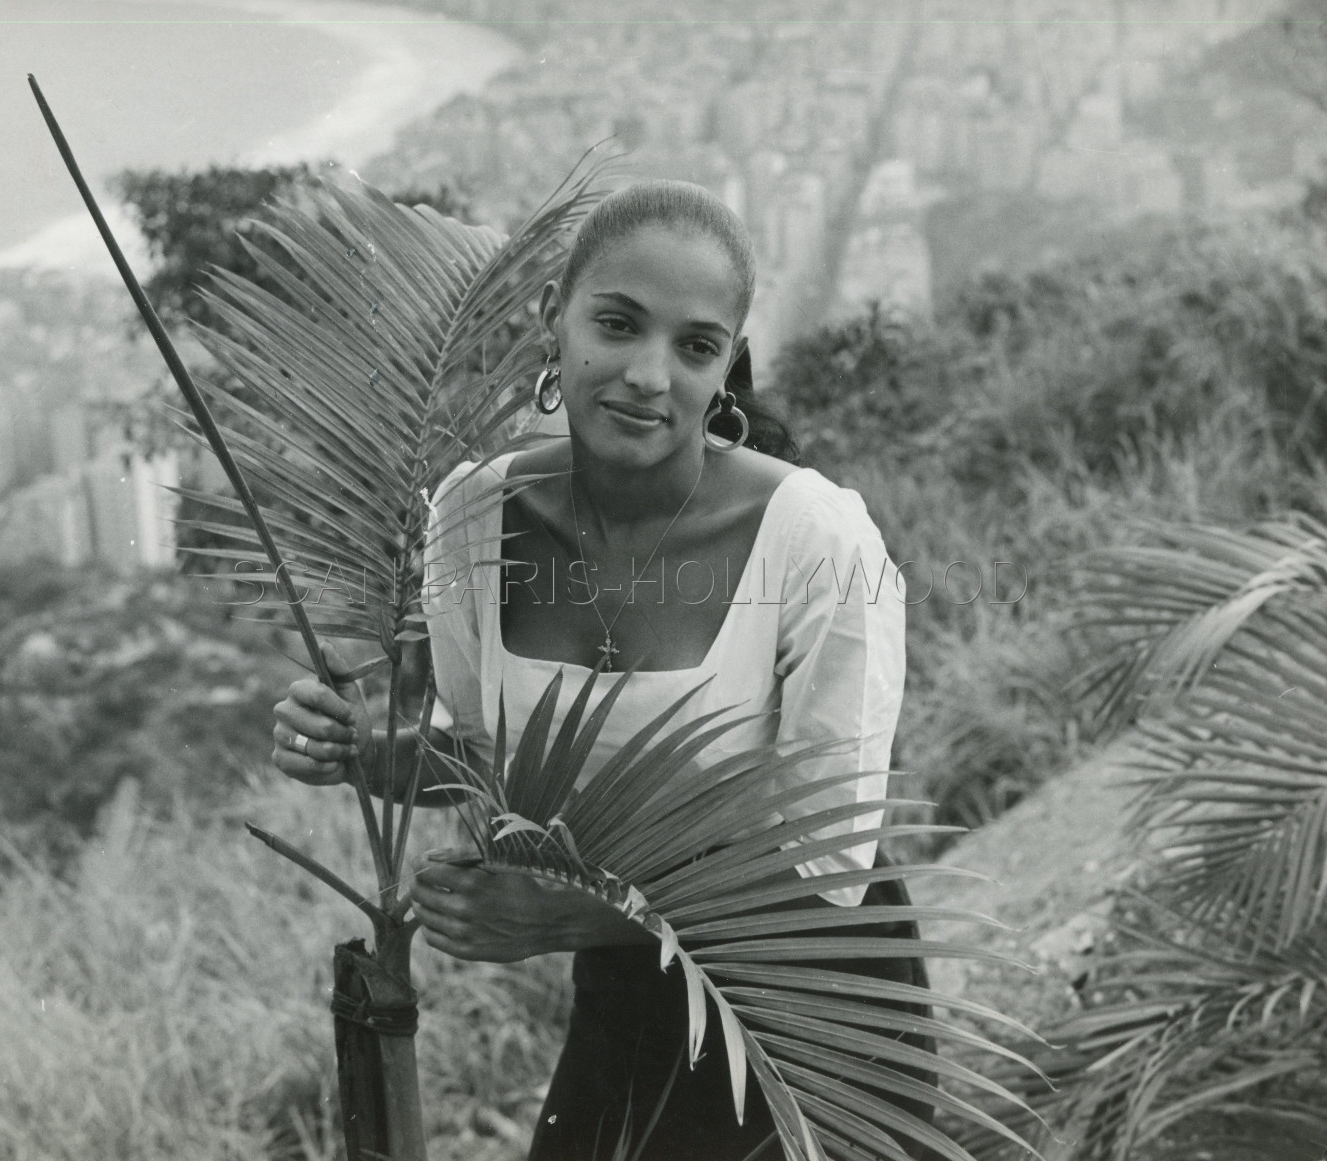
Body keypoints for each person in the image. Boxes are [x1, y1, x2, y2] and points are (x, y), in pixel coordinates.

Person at [271, 180, 933, 1160]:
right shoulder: (470, 519)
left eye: (693, 346)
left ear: (726, 370)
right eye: (616, 324)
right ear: (555, 318)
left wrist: (567, 914)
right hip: (627, 987)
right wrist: (358, 750)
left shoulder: (814, 539)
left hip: (809, 1002)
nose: (646, 375)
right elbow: (494, 752)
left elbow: (826, 874)